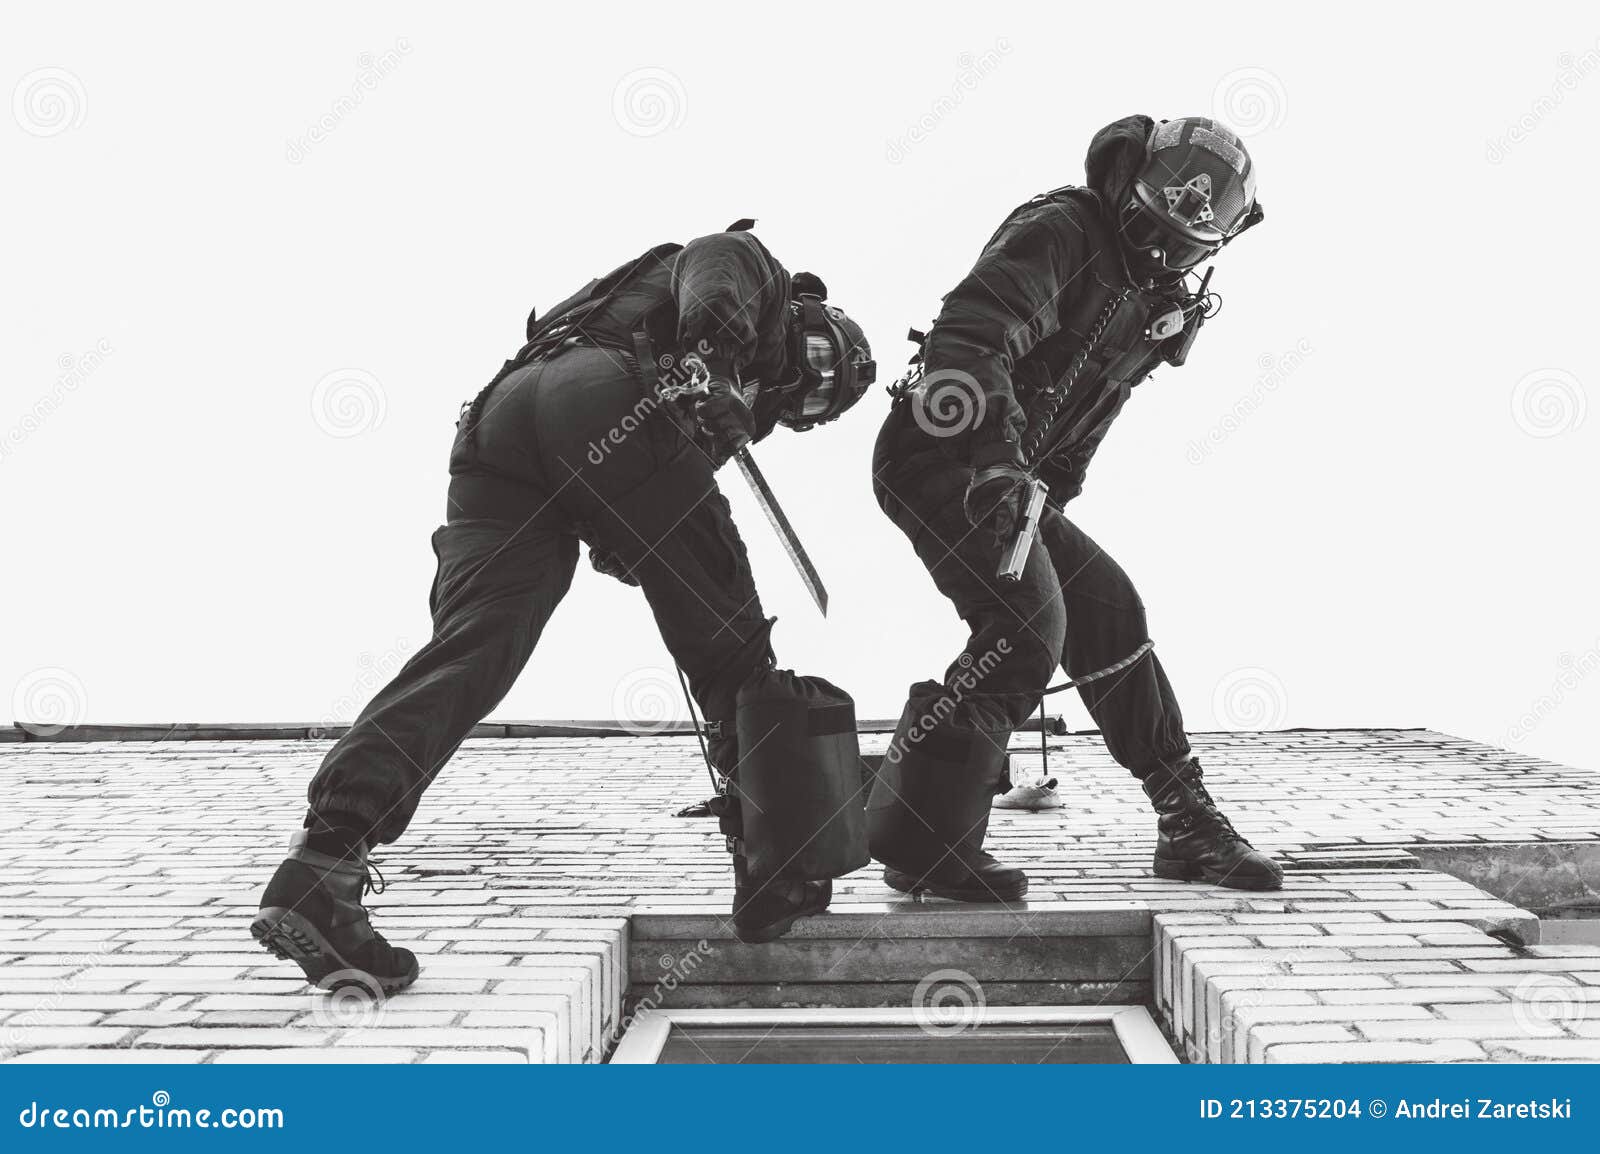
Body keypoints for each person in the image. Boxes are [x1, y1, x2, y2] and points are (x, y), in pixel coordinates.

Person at [253, 222, 875, 992]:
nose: (805, 392)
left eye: (821, 405)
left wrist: (644, 510)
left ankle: (325, 860)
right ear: (811, 321)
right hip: (604, 394)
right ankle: (777, 859)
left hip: (499, 428)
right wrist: (714, 365)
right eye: (819, 369)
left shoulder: (703, 401)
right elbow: (716, 264)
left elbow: (635, 531)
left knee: (476, 644)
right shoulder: (753, 274)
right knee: (730, 648)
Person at [868, 115, 1282, 902]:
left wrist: (1044, 490)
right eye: (1148, 231)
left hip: (1016, 474)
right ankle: (926, 842)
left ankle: (1184, 819)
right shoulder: (1065, 230)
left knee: (1110, 609)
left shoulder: (1152, 302)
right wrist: (992, 458)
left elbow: (1090, 415)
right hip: (942, 446)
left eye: (1182, 249)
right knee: (1025, 626)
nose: (1161, 256)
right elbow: (971, 333)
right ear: (1126, 192)